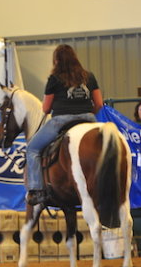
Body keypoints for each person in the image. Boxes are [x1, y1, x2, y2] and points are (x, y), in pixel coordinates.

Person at [25, 44, 100, 205]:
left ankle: (37, 191)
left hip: (62, 120)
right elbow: (99, 104)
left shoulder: (54, 79)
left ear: (57, 60)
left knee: (32, 149)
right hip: (88, 119)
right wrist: (86, 112)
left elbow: (46, 108)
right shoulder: (89, 77)